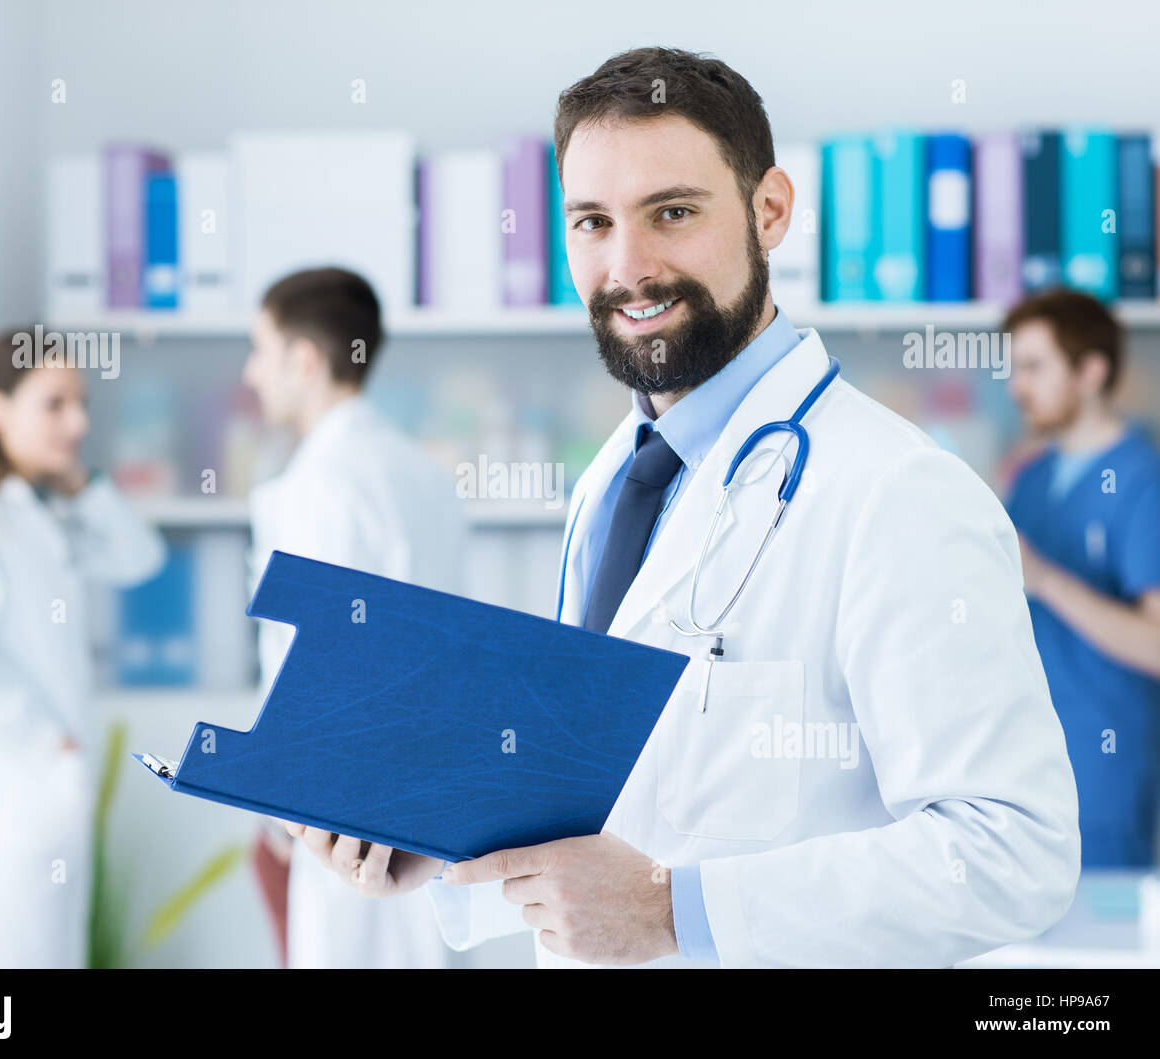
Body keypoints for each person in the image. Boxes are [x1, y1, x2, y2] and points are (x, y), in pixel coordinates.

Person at [289, 46, 1081, 969]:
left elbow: (1015, 849)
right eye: (592, 222)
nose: (629, 268)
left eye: (672, 211)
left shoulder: (898, 493)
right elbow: (614, 798)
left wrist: (681, 909)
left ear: (769, 210)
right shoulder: (610, 485)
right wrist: (440, 837)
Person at [0, 328, 165, 968]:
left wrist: (82, 484)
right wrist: (51, 742)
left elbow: (141, 556)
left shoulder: (42, 512)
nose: (77, 421)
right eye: (54, 404)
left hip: (44, 801)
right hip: (5, 800)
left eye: (81, 403)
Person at [242, 266, 469, 968]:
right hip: (433, 796)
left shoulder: (318, 484)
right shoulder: (422, 470)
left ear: (304, 361)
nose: (251, 374)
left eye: (260, 350)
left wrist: (279, 815)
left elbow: (310, 665)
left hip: (345, 816)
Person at [1003, 289, 1160, 868]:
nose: (1017, 387)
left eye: (1035, 368)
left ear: (1091, 371)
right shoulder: (1032, 478)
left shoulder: (1143, 481)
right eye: (1014, 368)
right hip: (1021, 772)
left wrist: (1043, 577)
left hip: (1101, 770)